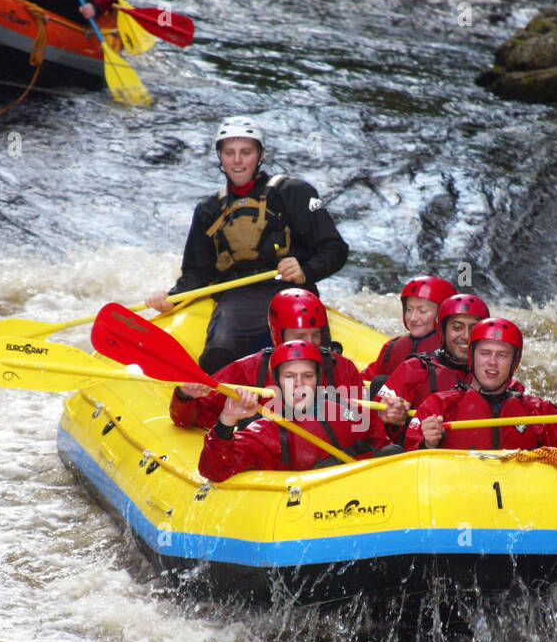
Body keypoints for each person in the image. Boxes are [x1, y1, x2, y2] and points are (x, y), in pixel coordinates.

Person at [147, 117, 349, 374]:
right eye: (229, 153)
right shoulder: (208, 210)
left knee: (303, 358)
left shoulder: (294, 193)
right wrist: (173, 297)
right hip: (237, 295)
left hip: (291, 290)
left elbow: (335, 249)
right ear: (220, 156)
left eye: (246, 152)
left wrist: (305, 270)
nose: (237, 161)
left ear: (260, 155)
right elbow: (196, 274)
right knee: (217, 356)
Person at [171, 286, 405, 430]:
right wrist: (185, 395)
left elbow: (360, 427)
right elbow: (192, 418)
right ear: (277, 334)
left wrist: (386, 418)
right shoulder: (248, 370)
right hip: (273, 466)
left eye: (316, 335)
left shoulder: (341, 368)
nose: (309, 344)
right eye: (299, 336)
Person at [405, 318, 557, 468]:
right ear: (473, 357)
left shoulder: (538, 411)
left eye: (502, 355)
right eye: (485, 353)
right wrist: (428, 444)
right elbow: (410, 464)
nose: (492, 362)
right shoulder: (438, 406)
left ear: (514, 362)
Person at [198, 341, 394, 482]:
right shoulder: (265, 433)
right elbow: (214, 470)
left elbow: (385, 451)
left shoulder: (352, 411)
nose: (299, 385)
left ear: (318, 379)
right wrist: (227, 420)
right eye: (290, 377)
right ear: (277, 381)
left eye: (307, 376)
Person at [379, 293, 500, 435]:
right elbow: (373, 424)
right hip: (419, 453)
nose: (466, 336)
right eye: (457, 328)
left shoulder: (496, 376)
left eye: (473, 329)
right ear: (443, 331)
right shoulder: (414, 368)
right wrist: (386, 415)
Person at [362, 275, 456, 394]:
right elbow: (366, 379)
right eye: (409, 309)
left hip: (429, 410)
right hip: (390, 408)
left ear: (443, 315)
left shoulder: (454, 355)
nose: (412, 318)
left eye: (422, 311)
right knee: (379, 381)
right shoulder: (392, 347)